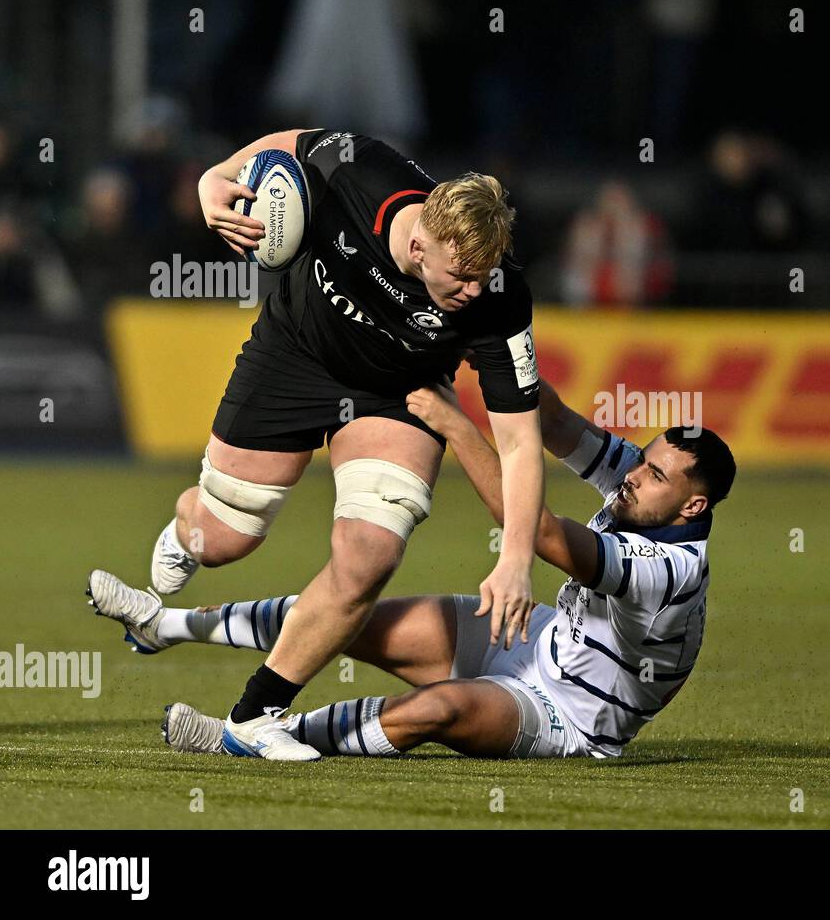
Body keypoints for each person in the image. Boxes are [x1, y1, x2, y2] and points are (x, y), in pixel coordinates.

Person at [142, 129, 544, 759]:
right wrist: (213, 177)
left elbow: (520, 442)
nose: (472, 292)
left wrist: (515, 558)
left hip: (398, 390)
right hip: (295, 352)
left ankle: (256, 717)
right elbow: (291, 143)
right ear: (418, 244)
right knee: (221, 541)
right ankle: (187, 521)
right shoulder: (361, 170)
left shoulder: (499, 299)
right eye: (461, 277)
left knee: (370, 553)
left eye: (484, 277)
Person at [87, 378, 735, 760]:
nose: (632, 478)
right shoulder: (641, 491)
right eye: (642, 461)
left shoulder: (673, 567)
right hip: (540, 634)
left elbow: (537, 531)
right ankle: (159, 622)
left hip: (568, 711)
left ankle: (245, 738)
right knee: (351, 619)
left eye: (654, 475)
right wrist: (503, 344)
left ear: (694, 504)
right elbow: (558, 423)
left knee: (439, 709)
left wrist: (455, 426)